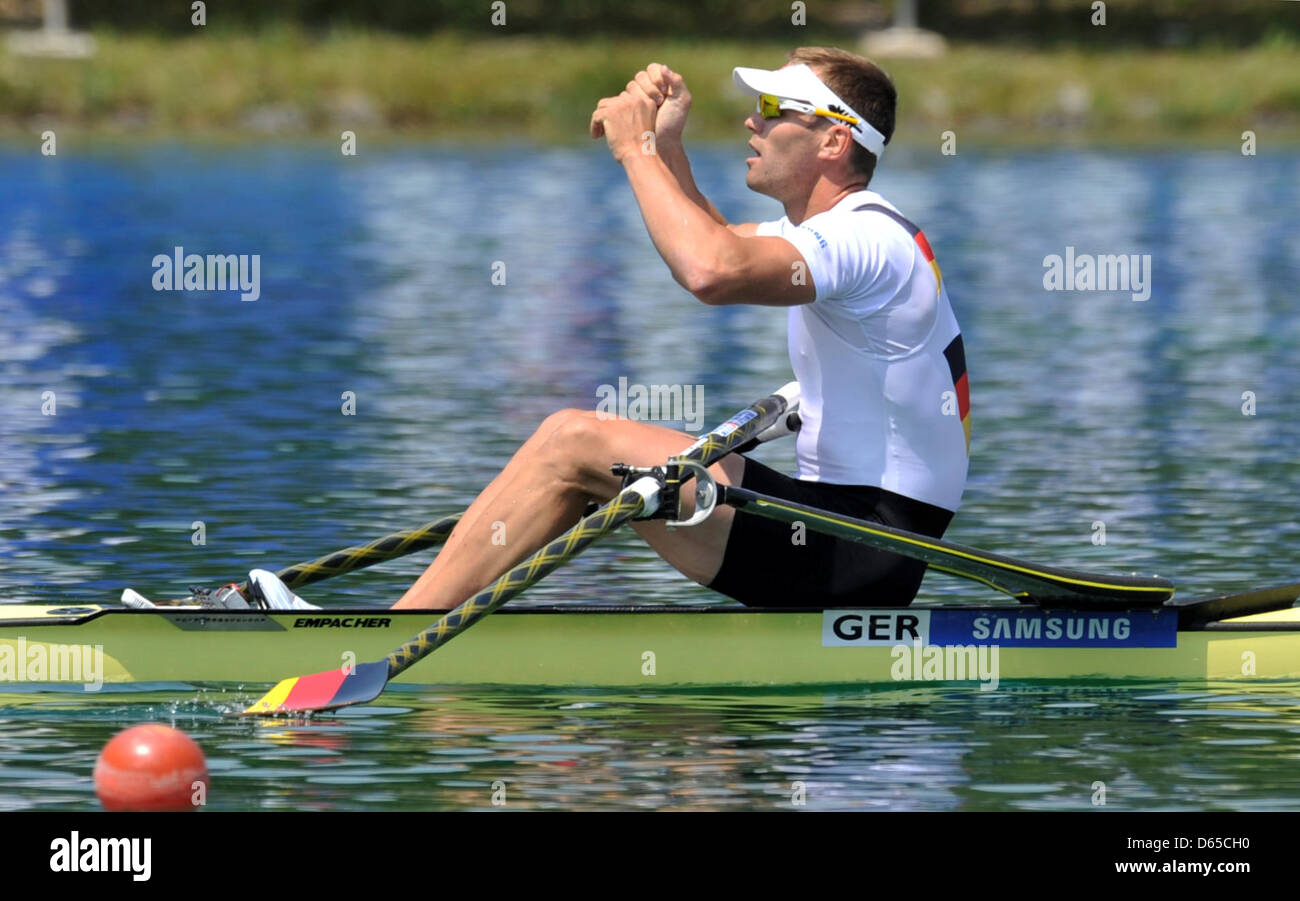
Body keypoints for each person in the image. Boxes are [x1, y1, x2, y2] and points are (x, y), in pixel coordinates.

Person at [392, 46, 969, 611]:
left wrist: (635, 150)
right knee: (575, 450)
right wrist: (665, 146)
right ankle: (425, 613)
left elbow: (709, 270)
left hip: (864, 548)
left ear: (835, 140)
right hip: (839, 532)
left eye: (773, 107)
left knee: (575, 440)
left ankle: (386, 630)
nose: (752, 119)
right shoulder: (857, 230)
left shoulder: (864, 239)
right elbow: (715, 240)